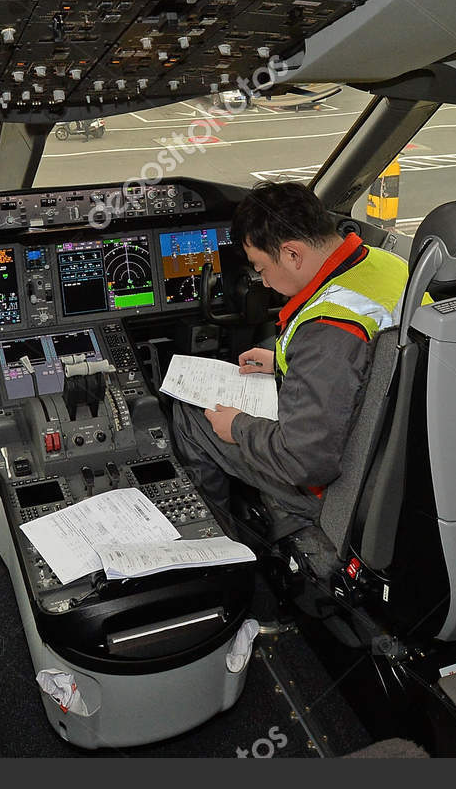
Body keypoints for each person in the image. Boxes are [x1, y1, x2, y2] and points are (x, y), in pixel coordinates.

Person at [171, 182, 423, 539]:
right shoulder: (387, 263)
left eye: (261, 267)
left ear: (292, 254)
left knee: (192, 415)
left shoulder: (327, 331)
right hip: (403, 451)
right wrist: (281, 361)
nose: (262, 280)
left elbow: (302, 461)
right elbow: (363, 359)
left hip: (342, 485)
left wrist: (238, 426)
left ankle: (226, 547)